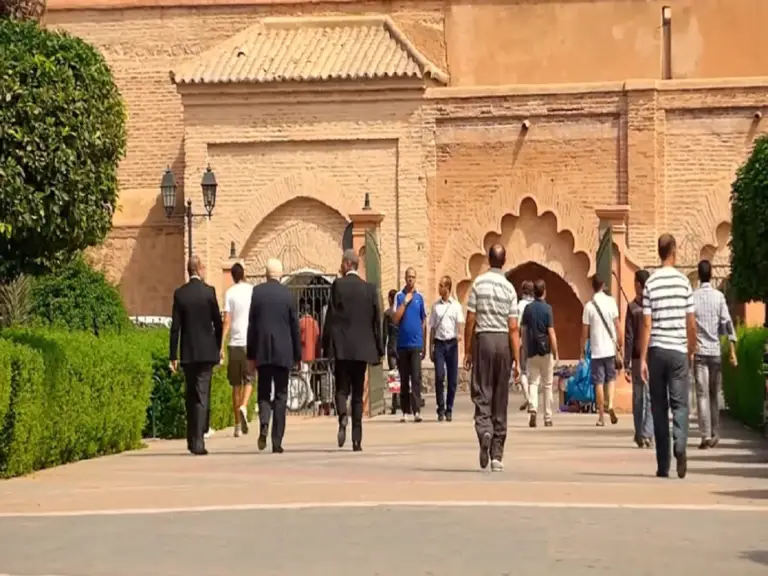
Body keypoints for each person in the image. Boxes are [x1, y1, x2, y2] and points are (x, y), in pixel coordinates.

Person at [639, 234, 697, 479]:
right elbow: (691, 322)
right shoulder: (684, 283)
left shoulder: (651, 283)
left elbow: (646, 324)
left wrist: (642, 358)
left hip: (657, 351)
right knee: (680, 403)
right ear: (673, 251)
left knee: (659, 407)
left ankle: (663, 465)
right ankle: (680, 445)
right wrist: (691, 349)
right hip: (678, 351)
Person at [464, 244, 520, 472]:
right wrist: (516, 358)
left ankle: (484, 430)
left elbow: (470, 319)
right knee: (500, 397)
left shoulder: (479, 283)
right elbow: (514, 327)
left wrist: (467, 350)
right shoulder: (509, 289)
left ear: (488, 260)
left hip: (484, 340)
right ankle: (497, 455)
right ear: (504, 261)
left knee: (482, 392)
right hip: (503, 343)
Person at [323, 249, 383, 451]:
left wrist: (326, 347)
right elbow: (377, 320)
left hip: (341, 348)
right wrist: (379, 348)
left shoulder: (338, 286)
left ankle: (342, 418)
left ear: (348, 264)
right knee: (358, 394)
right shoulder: (369, 289)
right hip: (362, 350)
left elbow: (330, 318)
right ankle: (357, 440)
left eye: (342, 263)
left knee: (341, 389)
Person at [169, 256, 223, 456]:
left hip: (188, 353)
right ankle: (198, 441)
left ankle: (191, 439)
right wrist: (218, 347)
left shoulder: (180, 294)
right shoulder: (209, 292)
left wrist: (172, 355)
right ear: (199, 269)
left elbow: (175, 327)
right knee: (202, 396)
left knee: (190, 395)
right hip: (207, 352)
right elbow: (217, 323)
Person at [246, 258, 301, 454]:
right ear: (281, 274)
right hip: (283, 351)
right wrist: (298, 354)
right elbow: (295, 326)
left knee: (263, 391)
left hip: (262, 350)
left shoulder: (257, 292)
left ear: (266, 274)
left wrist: (250, 354)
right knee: (280, 395)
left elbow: (251, 325)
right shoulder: (287, 294)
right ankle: (277, 441)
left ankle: (263, 424)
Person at [692, 259, 737, 450]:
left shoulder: (692, 297)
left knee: (701, 394)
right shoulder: (719, 297)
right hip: (715, 351)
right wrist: (733, 350)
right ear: (711, 274)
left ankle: (705, 435)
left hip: (700, 352)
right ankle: (715, 432)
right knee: (713, 394)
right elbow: (727, 323)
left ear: (698, 274)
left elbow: (689, 325)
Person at [581, 275, 623, 427]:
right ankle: (610, 404)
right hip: (610, 349)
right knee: (611, 379)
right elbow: (617, 324)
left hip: (596, 349)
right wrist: (620, 342)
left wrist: (582, 349)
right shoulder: (611, 302)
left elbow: (584, 331)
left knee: (598, 382)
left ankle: (600, 416)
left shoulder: (589, 306)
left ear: (592, 287)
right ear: (603, 286)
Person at [221, 262, 253, 438]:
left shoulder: (229, 293)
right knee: (249, 379)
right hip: (249, 341)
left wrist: (221, 345)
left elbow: (226, 320)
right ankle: (244, 406)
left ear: (232, 276)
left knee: (235, 384)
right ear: (244, 274)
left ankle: (236, 426)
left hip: (234, 342)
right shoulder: (252, 291)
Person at [522, 278, 559, 428]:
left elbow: (524, 331)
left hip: (532, 350)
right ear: (544, 291)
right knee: (547, 384)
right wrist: (556, 352)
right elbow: (551, 332)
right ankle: (548, 417)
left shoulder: (528, 309)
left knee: (533, 382)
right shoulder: (548, 309)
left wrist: (525, 349)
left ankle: (533, 409)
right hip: (545, 351)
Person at [392, 267, 427, 423]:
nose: (410, 279)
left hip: (416, 343)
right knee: (404, 379)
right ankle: (405, 411)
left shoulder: (420, 297)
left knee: (416, 378)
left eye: (413, 277)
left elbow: (423, 320)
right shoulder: (399, 297)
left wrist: (424, 342)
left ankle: (417, 410)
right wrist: (405, 303)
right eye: (408, 277)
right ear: (405, 278)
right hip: (403, 344)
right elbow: (395, 319)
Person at [428, 275, 464, 422]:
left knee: (452, 379)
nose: (439, 288)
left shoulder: (455, 306)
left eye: (442, 285)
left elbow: (460, 323)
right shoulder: (436, 306)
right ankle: (440, 408)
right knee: (439, 376)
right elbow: (432, 328)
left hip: (452, 344)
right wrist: (430, 346)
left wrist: (460, 334)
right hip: (440, 344)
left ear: (448, 288)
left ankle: (449, 408)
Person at [624, 269, 653, 448]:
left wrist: (627, 362)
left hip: (637, 357)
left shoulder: (633, 307)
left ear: (638, 284)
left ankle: (641, 432)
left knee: (639, 397)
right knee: (649, 396)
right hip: (650, 356)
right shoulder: (652, 306)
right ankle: (645, 433)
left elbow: (629, 336)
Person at [516, 280, 534, 411]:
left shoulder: (520, 305)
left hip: (523, 339)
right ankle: (532, 400)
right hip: (535, 342)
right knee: (533, 373)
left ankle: (528, 397)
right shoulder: (535, 304)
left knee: (523, 370)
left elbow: (516, 326)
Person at [383, 289, 400, 414]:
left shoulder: (388, 313)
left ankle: (394, 404)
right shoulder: (400, 313)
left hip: (391, 346)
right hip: (402, 346)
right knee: (404, 375)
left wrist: (381, 350)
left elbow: (384, 334)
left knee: (393, 375)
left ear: (389, 299)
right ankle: (404, 402)